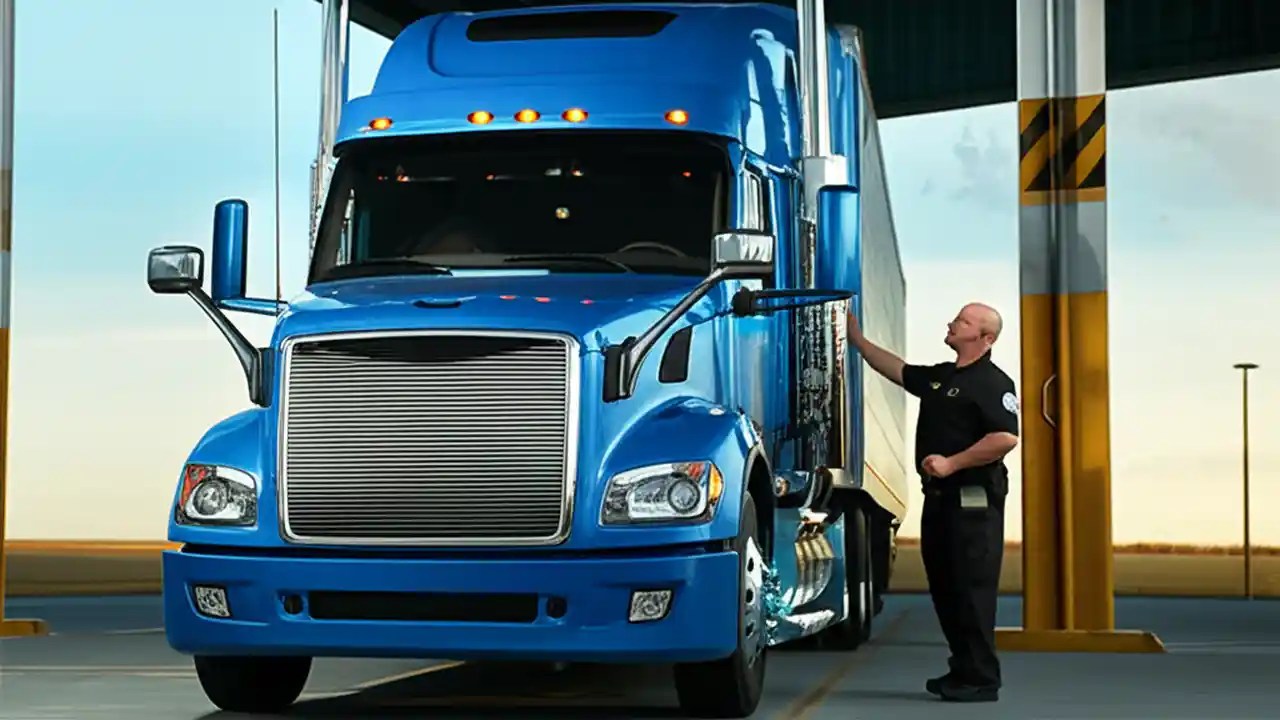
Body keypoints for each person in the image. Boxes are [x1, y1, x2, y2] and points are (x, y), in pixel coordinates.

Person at [846, 302, 1019, 703]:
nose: (951, 323)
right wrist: (857, 342)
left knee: (971, 590)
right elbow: (898, 369)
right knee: (945, 587)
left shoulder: (994, 383)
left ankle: (981, 679)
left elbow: (1005, 438)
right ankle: (963, 670)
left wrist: (952, 463)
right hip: (940, 501)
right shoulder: (944, 376)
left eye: (962, 321)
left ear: (985, 338)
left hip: (972, 504)